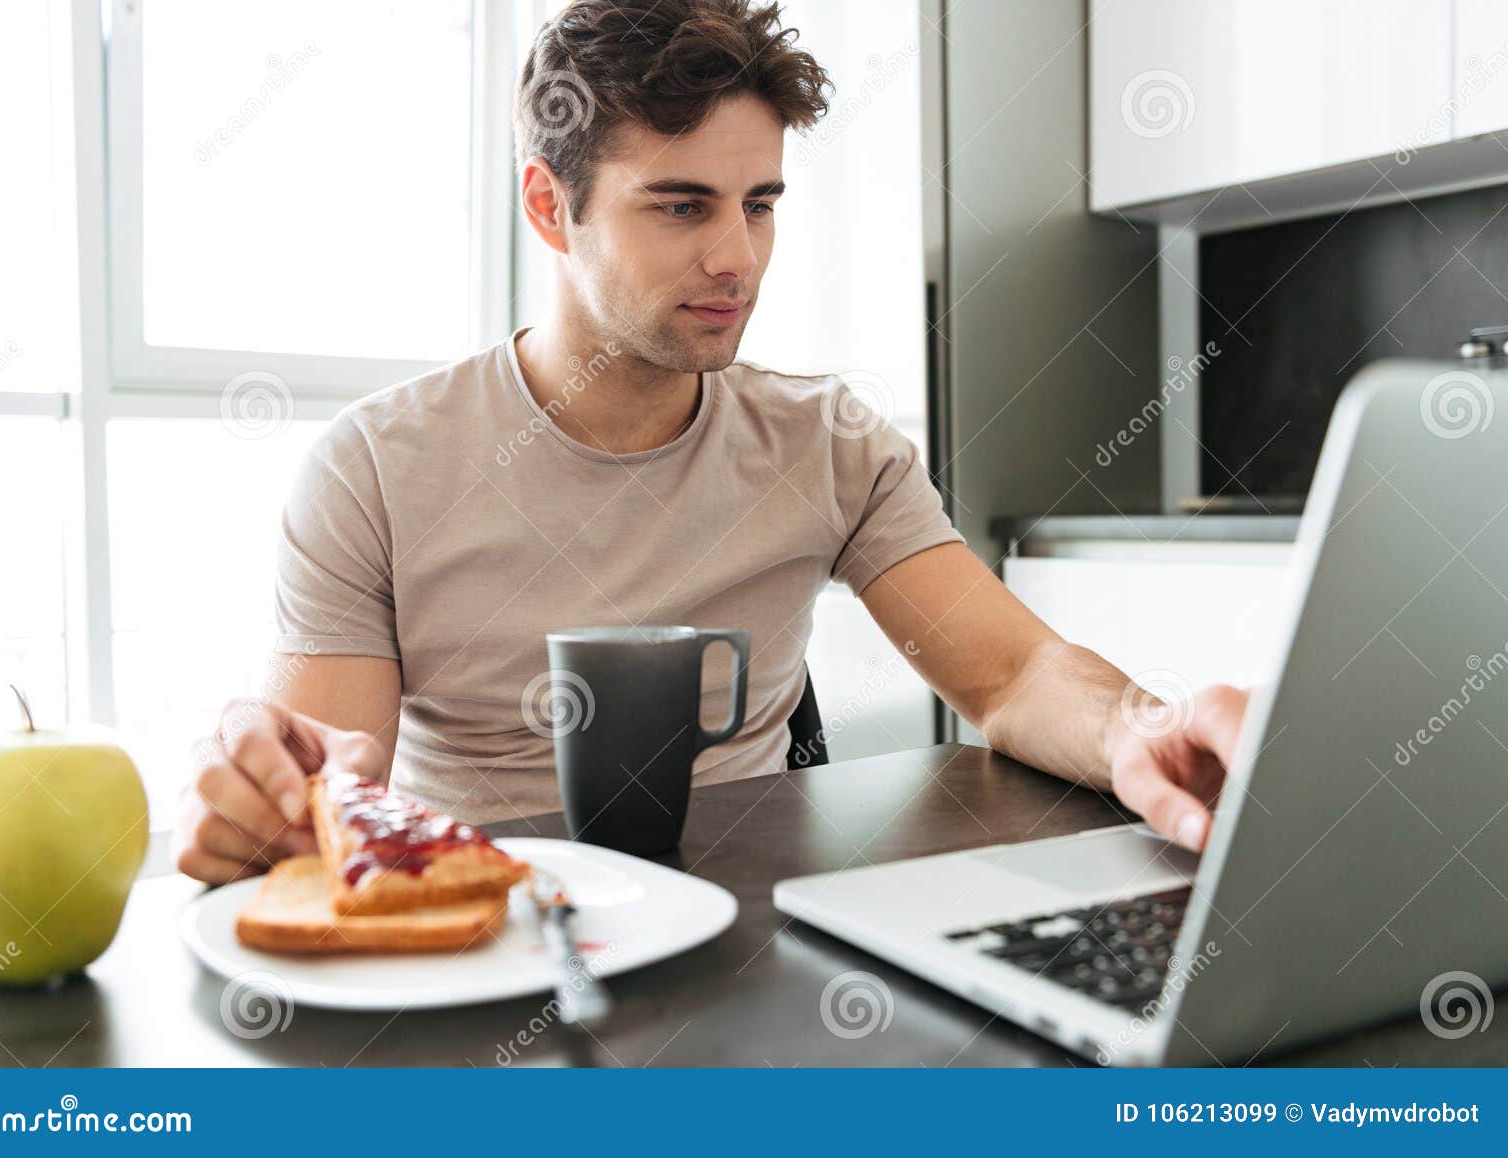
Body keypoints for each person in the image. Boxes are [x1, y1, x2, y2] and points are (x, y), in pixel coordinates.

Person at [173, 0, 1245, 885]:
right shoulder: (373, 470)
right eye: (681, 207)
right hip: (495, 949)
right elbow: (325, 801)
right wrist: (264, 809)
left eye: (761, 204)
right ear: (551, 208)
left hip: (757, 935)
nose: (739, 258)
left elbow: (1013, 676)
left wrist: (1136, 730)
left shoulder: (829, 443)